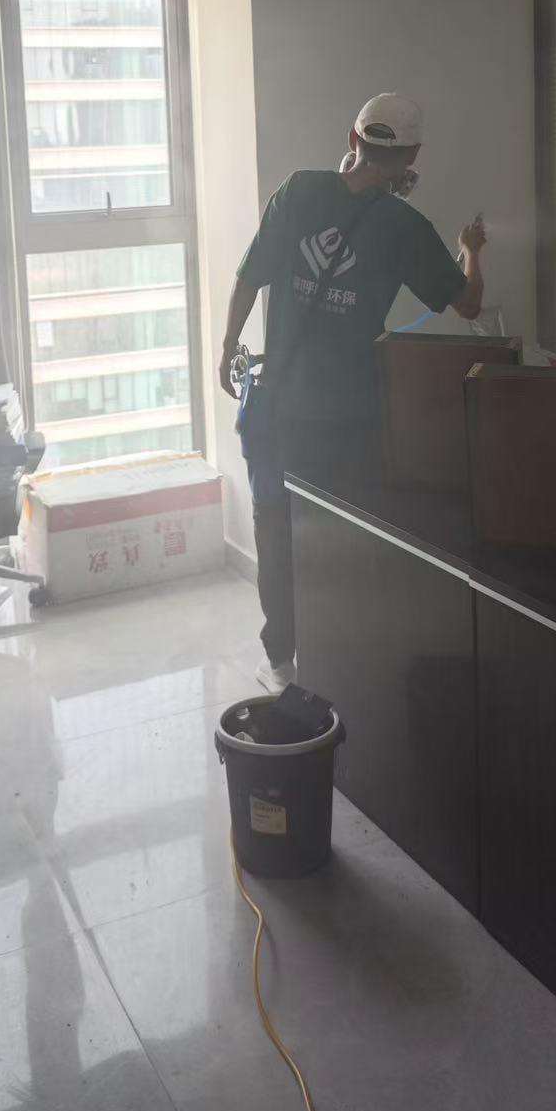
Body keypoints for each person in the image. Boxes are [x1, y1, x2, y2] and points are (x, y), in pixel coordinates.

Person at [219, 93, 487, 693]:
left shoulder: (297, 191)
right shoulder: (404, 227)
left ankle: (281, 663)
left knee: (275, 531)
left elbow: (249, 276)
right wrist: (471, 250)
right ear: (411, 157)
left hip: (279, 410)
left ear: (352, 138)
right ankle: (343, 660)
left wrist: (228, 344)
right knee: (343, 538)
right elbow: (470, 304)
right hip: (351, 419)